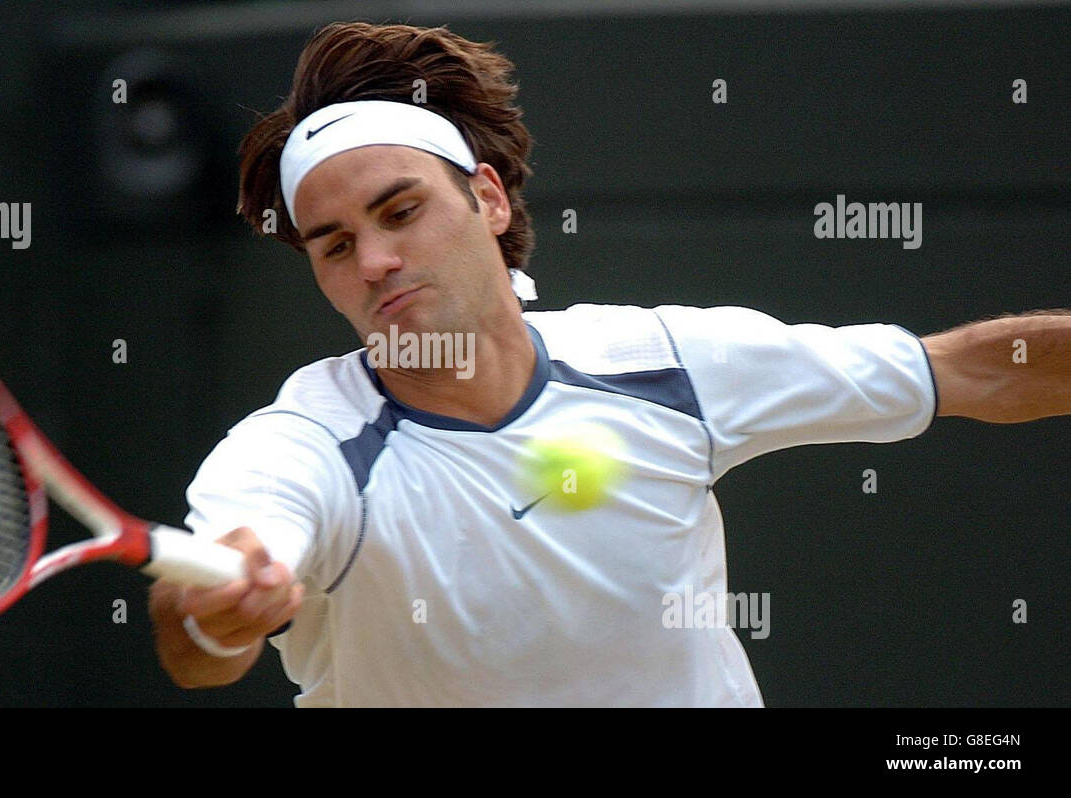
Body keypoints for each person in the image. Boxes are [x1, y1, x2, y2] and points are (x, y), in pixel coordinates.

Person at [148, 22, 1069, 706]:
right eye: (334, 245)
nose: (375, 260)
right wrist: (217, 606)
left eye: (399, 212)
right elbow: (205, 634)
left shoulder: (667, 363)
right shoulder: (304, 444)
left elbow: (976, 371)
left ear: (489, 198)